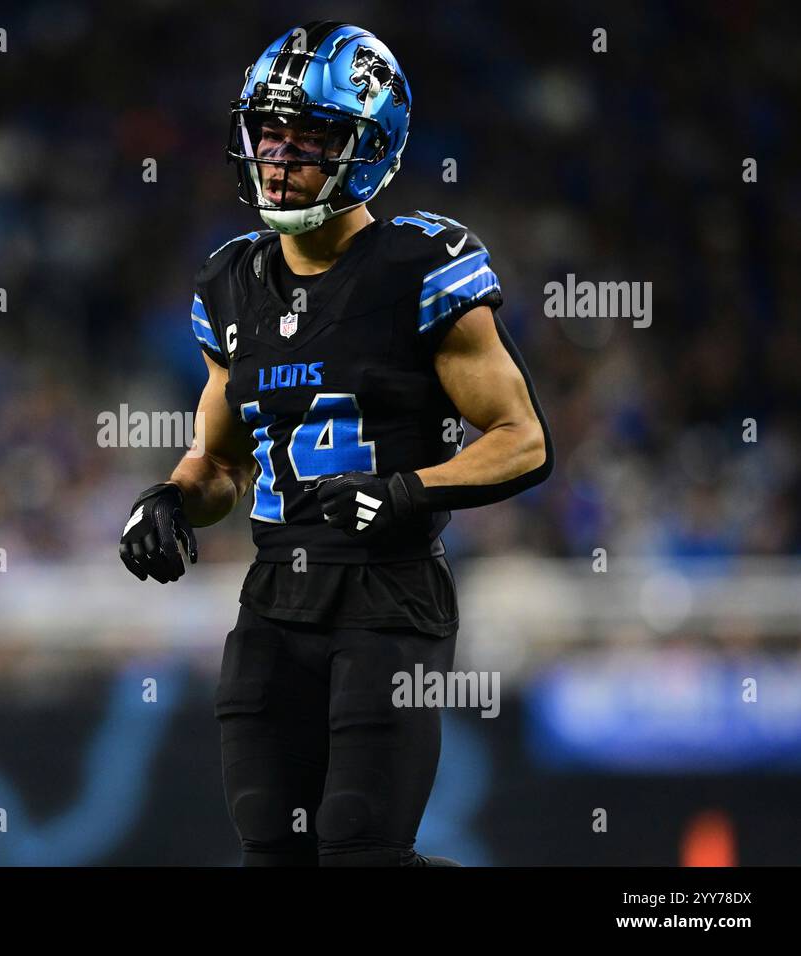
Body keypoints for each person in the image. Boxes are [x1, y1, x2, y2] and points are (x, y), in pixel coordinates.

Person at [118, 21, 553, 866]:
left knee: (360, 850)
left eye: (310, 136)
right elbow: (220, 463)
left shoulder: (420, 266)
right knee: (273, 856)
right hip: (275, 596)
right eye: (269, 133)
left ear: (369, 146)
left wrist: (406, 491)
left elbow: (523, 440)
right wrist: (169, 499)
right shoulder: (230, 282)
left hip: (389, 595)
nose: (280, 157)